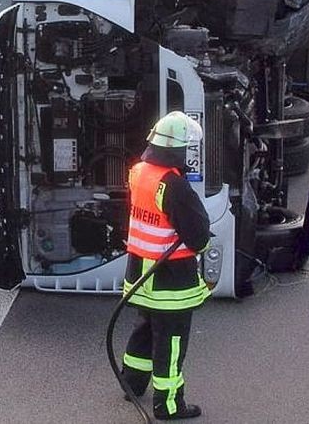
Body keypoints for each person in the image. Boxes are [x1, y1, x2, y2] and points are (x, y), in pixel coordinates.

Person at [119, 111, 211, 421]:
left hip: (140, 274)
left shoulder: (139, 172)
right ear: (180, 149)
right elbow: (198, 236)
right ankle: (169, 404)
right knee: (171, 342)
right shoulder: (174, 186)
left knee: (145, 328)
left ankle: (131, 383)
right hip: (169, 281)